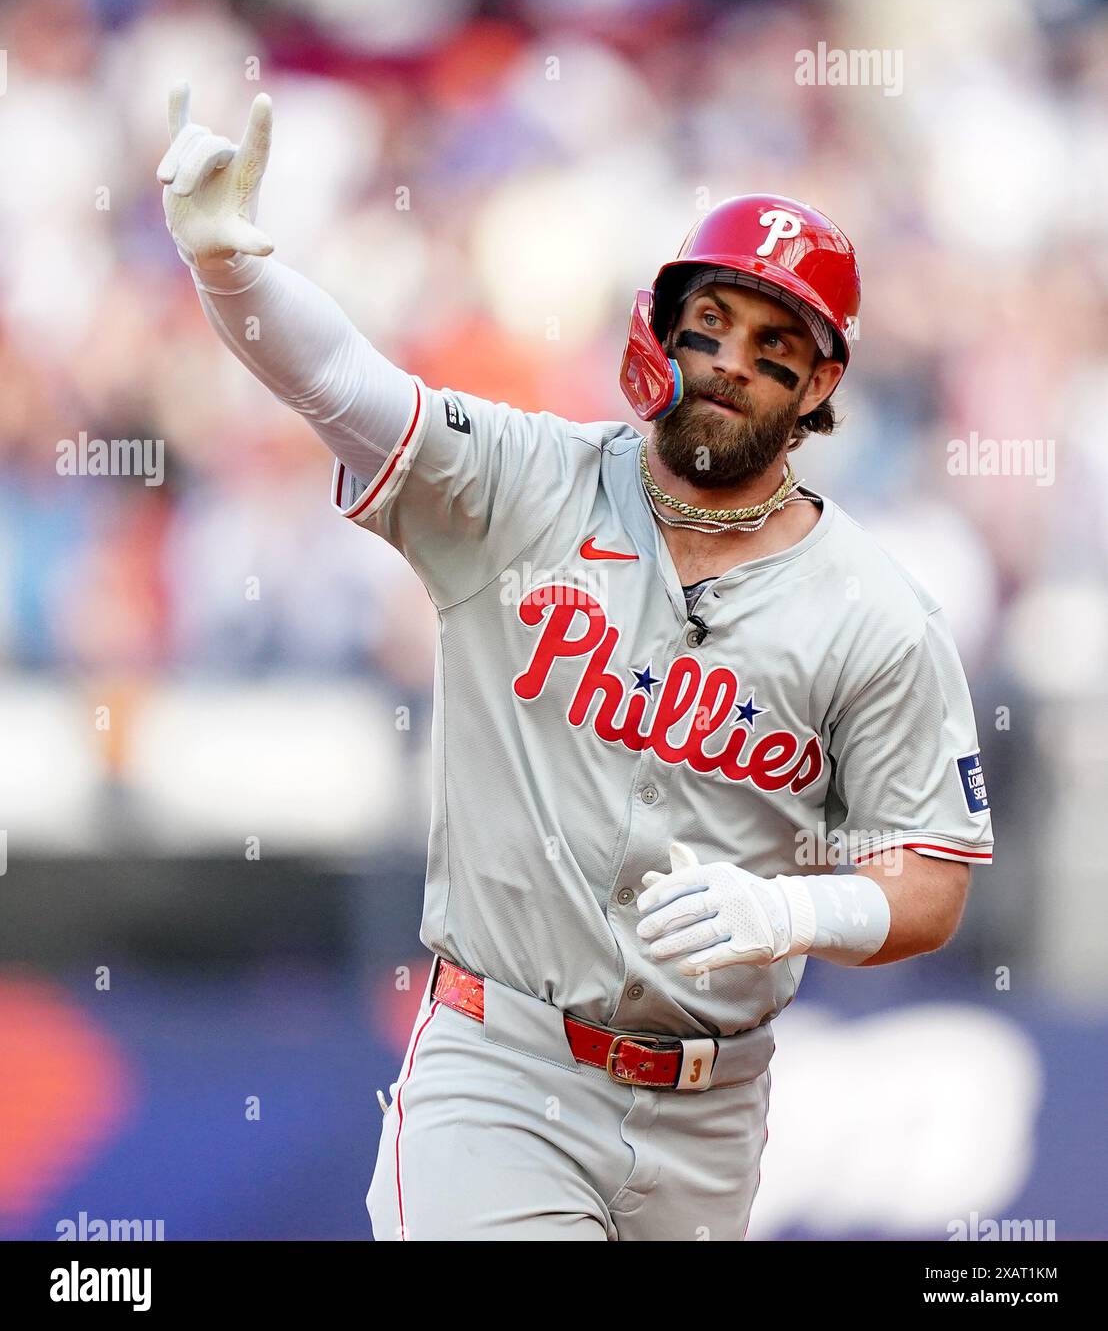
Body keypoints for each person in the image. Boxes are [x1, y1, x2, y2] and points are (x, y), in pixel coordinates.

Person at [158, 85, 994, 1242]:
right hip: (499, 1067)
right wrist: (234, 275)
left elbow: (932, 877)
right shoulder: (524, 482)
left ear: (818, 389)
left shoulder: (879, 611)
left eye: (775, 344)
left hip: (715, 1113)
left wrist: (794, 905)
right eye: (712, 322)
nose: (732, 361)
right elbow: (349, 388)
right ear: (662, 328)